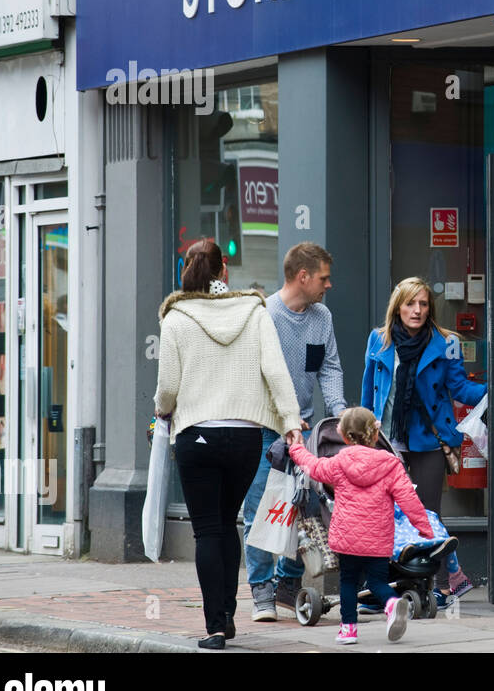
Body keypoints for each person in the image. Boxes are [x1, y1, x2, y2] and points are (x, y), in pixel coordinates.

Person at [153, 238, 302, 649]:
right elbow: (276, 371)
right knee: (228, 522)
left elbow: (167, 388)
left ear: (186, 272)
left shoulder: (176, 318)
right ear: (224, 273)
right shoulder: (254, 312)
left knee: (206, 531)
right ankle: (231, 615)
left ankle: (215, 626)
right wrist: (291, 422)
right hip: (245, 436)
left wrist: (161, 412)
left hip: (196, 437)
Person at [361, 277, 486, 603]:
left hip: (428, 441)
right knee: (382, 514)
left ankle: (443, 584)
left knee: (426, 514)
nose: (416, 311)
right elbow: (367, 393)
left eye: (423, 304)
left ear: (430, 308)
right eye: (409, 303)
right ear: (397, 307)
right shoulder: (379, 340)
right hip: (387, 440)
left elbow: (460, 389)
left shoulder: (447, 342)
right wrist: (362, 436)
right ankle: (385, 586)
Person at [243, 242, 348, 621]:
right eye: (324, 277)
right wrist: (283, 419)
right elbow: (253, 378)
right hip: (266, 430)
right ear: (303, 276)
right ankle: (261, 589)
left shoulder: (322, 317)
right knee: (260, 510)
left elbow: (329, 369)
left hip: (304, 433)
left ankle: (287, 583)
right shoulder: (263, 316)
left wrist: (340, 415)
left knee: (303, 511)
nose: (328, 284)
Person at [287, 407, 433, 645]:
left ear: (344, 437)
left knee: (347, 582)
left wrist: (296, 448)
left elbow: (313, 467)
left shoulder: (339, 462)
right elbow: (408, 498)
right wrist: (423, 526)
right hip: (379, 538)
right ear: (375, 435)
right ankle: (392, 603)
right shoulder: (391, 464)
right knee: (377, 582)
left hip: (347, 537)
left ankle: (348, 630)